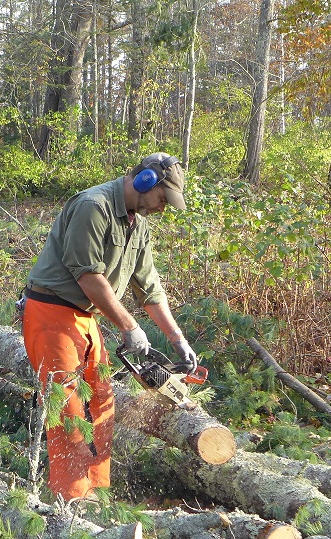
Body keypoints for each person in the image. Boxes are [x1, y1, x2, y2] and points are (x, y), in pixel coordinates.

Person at [20, 152, 198, 503]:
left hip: (86, 318)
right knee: (69, 410)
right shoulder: (94, 205)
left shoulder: (138, 224)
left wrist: (178, 340)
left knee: (101, 399)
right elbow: (87, 276)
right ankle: (70, 505)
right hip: (51, 314)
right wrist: (130, 326)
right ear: (146, 181)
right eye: (162, 198)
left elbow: (150, 289)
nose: (162, 208)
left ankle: (95, 494)